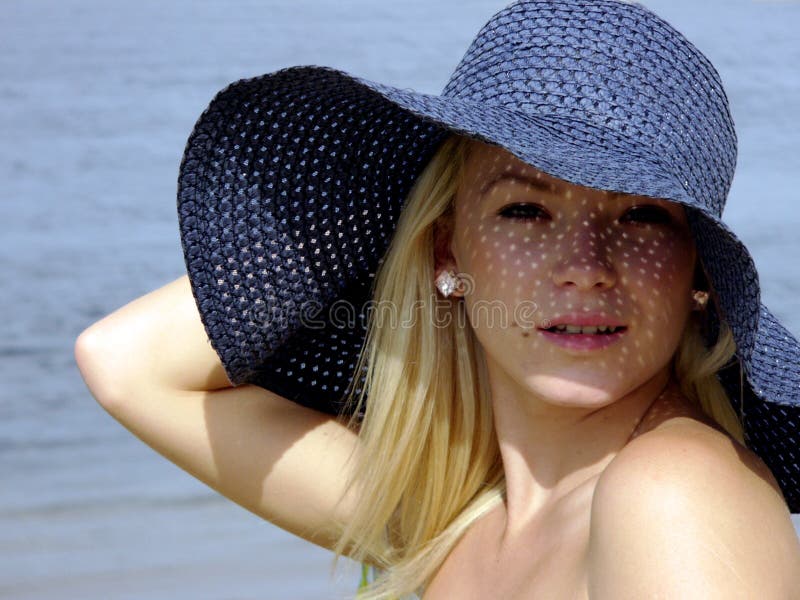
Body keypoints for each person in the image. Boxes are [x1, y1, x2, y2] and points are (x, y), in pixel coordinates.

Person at [75, 0, 800, 598]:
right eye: (525, 211)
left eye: (641, 216)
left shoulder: (673, 496)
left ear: (700, 271)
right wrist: (403, 226)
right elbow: (125, 362)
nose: (585, 269)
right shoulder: (449, 514)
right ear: (447, 251)